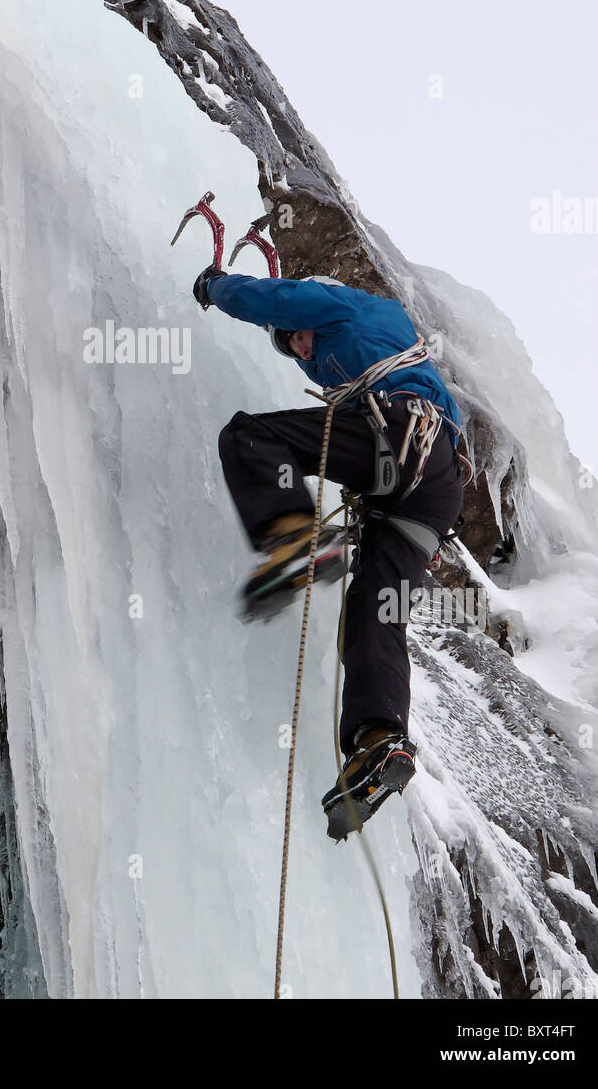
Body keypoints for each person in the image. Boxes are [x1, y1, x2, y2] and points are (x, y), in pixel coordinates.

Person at [193, 265, 465, 837]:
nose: (297, 341)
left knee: (249, 436)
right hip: (429, 490)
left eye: (295, 332)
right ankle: (379, 738)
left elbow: (273, 297)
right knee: (374, 614)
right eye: (289, 343)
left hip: (401, 438)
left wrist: (215, 287)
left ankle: (295, 536)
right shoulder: (397, 355)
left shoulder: (345, 306)